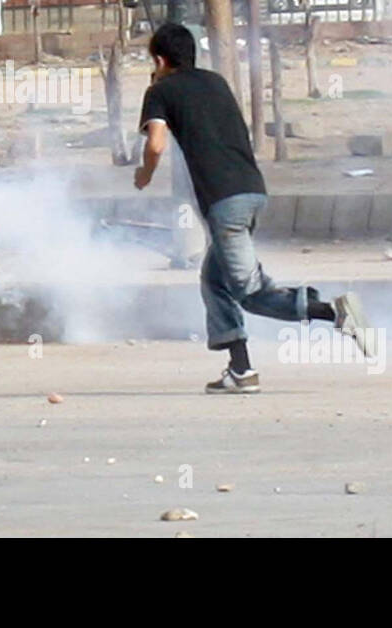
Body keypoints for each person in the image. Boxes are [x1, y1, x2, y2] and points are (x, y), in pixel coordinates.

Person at [134, 23, 373, 393]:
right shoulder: (216, 82)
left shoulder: (160, 90)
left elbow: (156, 145)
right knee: (214, 281)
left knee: (250, 292)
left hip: (224, 203)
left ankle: (333, 312)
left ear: (160, 59)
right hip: (252, 192)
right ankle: (241, 370)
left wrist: (143, 175)